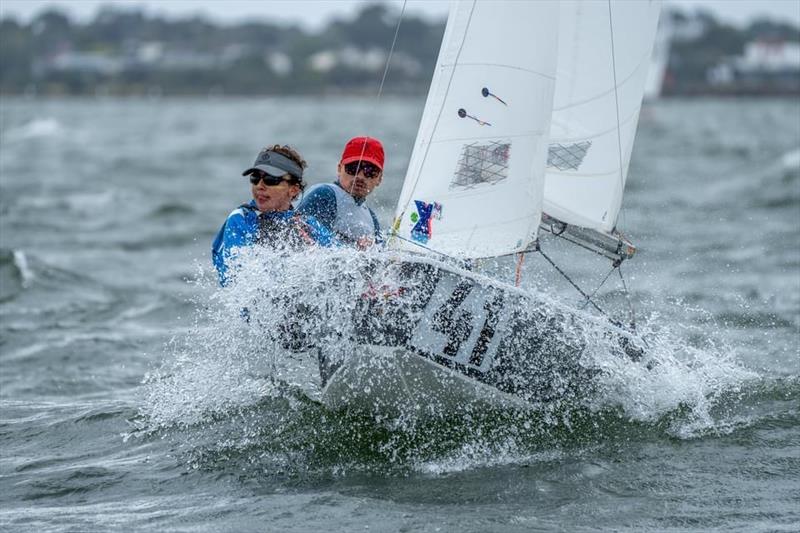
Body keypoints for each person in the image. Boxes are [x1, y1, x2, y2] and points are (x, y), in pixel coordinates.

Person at [212, 144, 334, 285]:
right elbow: (236, 276)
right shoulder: (240, 219)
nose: (260, 186)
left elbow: (341, 258)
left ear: (293, 190)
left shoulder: (306, 224)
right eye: (255, 178)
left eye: (270, 180)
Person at [296, 136, 385, 249]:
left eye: (370, 172)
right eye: (353, 168)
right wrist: (355, 250)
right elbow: (304, 235)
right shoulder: (325, 194)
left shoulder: (372, 219)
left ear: (379, 179)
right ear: (339, 168)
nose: (360, 176)